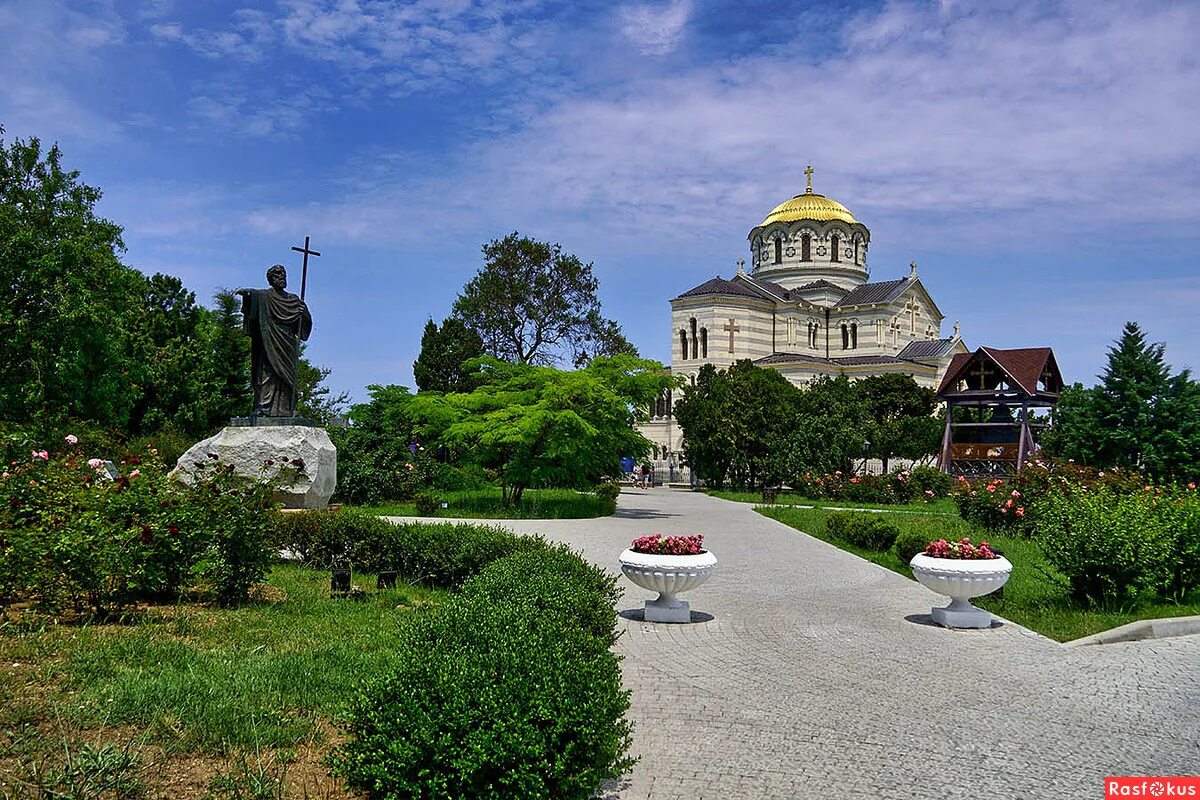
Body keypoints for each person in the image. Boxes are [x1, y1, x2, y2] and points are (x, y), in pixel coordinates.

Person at [237, 265, 313, 418]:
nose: (281, 278)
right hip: (268, 341)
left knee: (287, 377)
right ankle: (263, 408)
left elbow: (303, 328)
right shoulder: (264, 296)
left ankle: (287, 409)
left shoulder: (293, 300)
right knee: (267, 374)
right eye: (277, 276)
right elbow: (254, 296)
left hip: (286, 344)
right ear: (271, 280)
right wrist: (248, 295)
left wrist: (304, 314)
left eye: (283, 275)